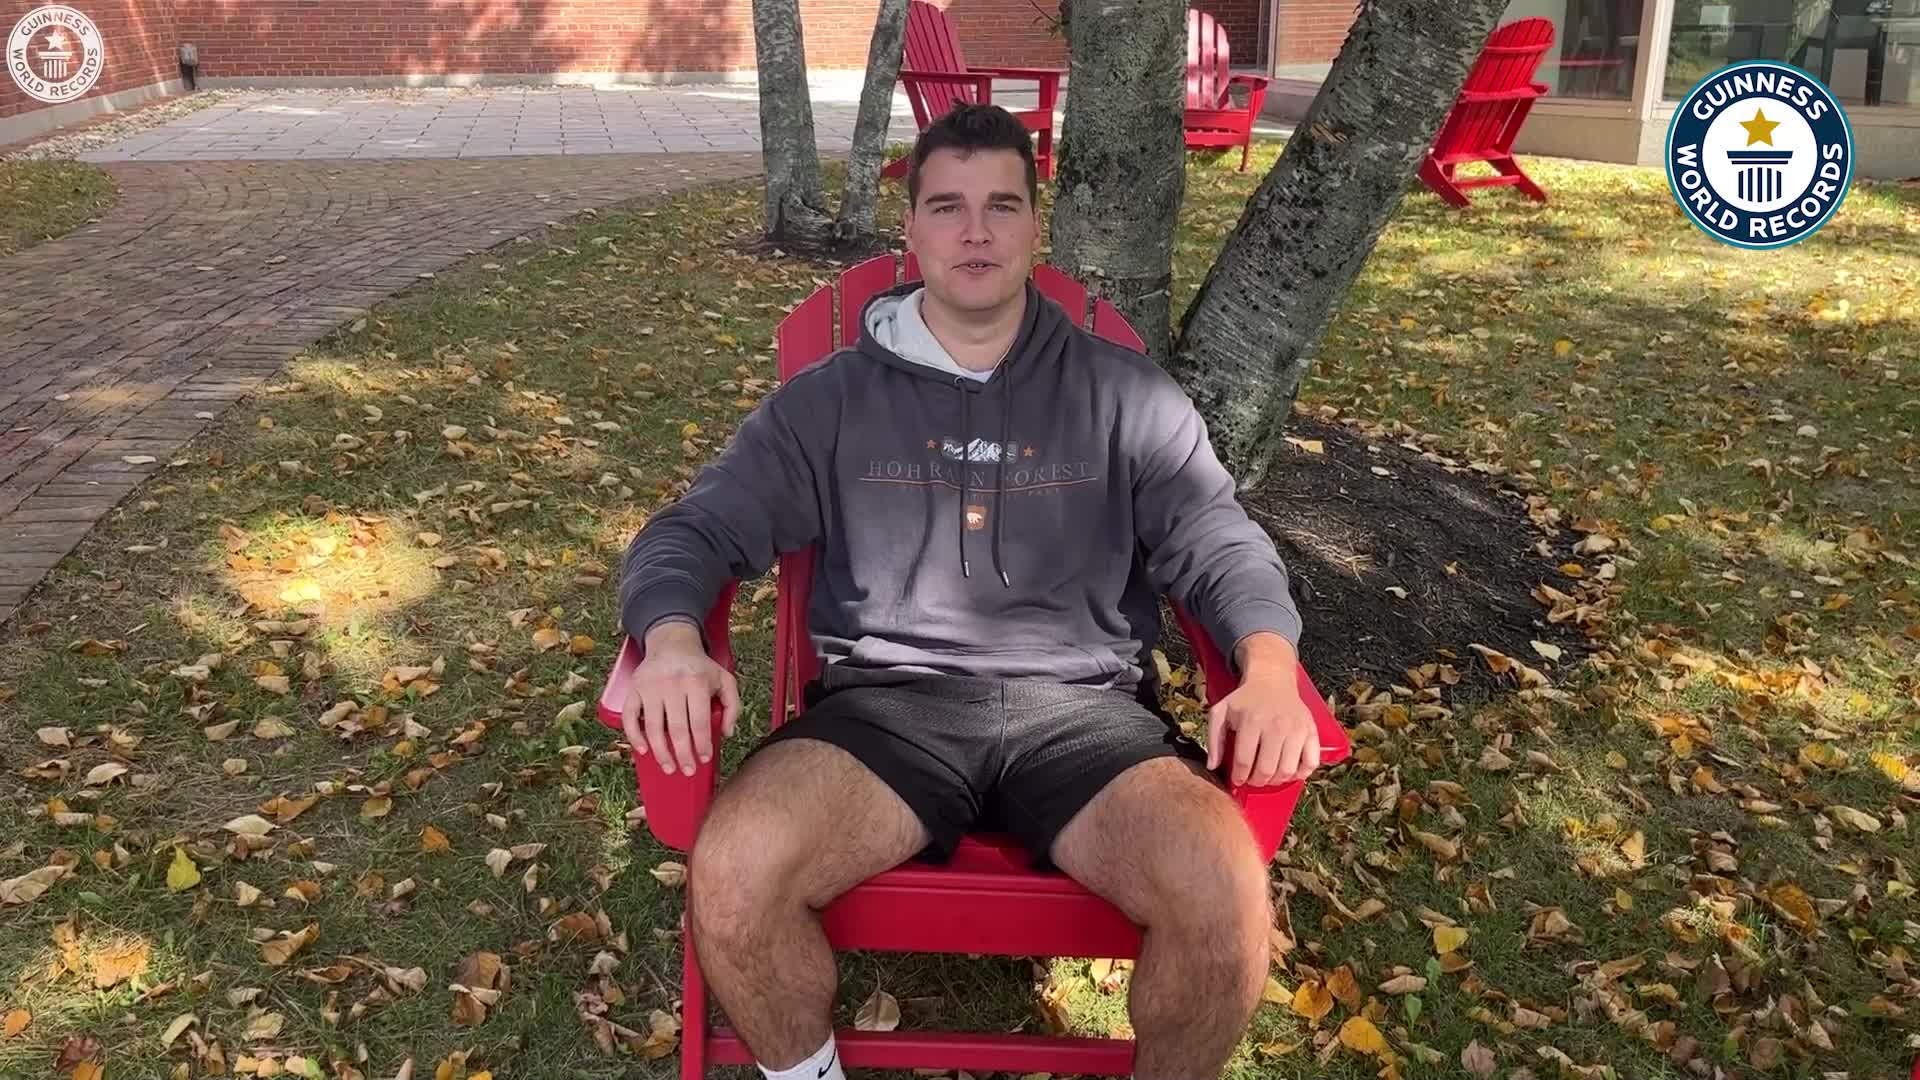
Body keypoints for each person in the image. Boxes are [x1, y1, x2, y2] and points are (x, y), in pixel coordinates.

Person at [616, 103, 1322, 1080]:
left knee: (1226, 899)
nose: (976, 231)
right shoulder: (829, 403)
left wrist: (1271, 663)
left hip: (1085, 714)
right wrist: (673, 641)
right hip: (885, 714)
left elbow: (1215, 535)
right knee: (732, 874)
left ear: (1038, 227)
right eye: (946, 206)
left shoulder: (1124, 395)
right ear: (909, 235)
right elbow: (692, 530)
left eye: (1001, 205)